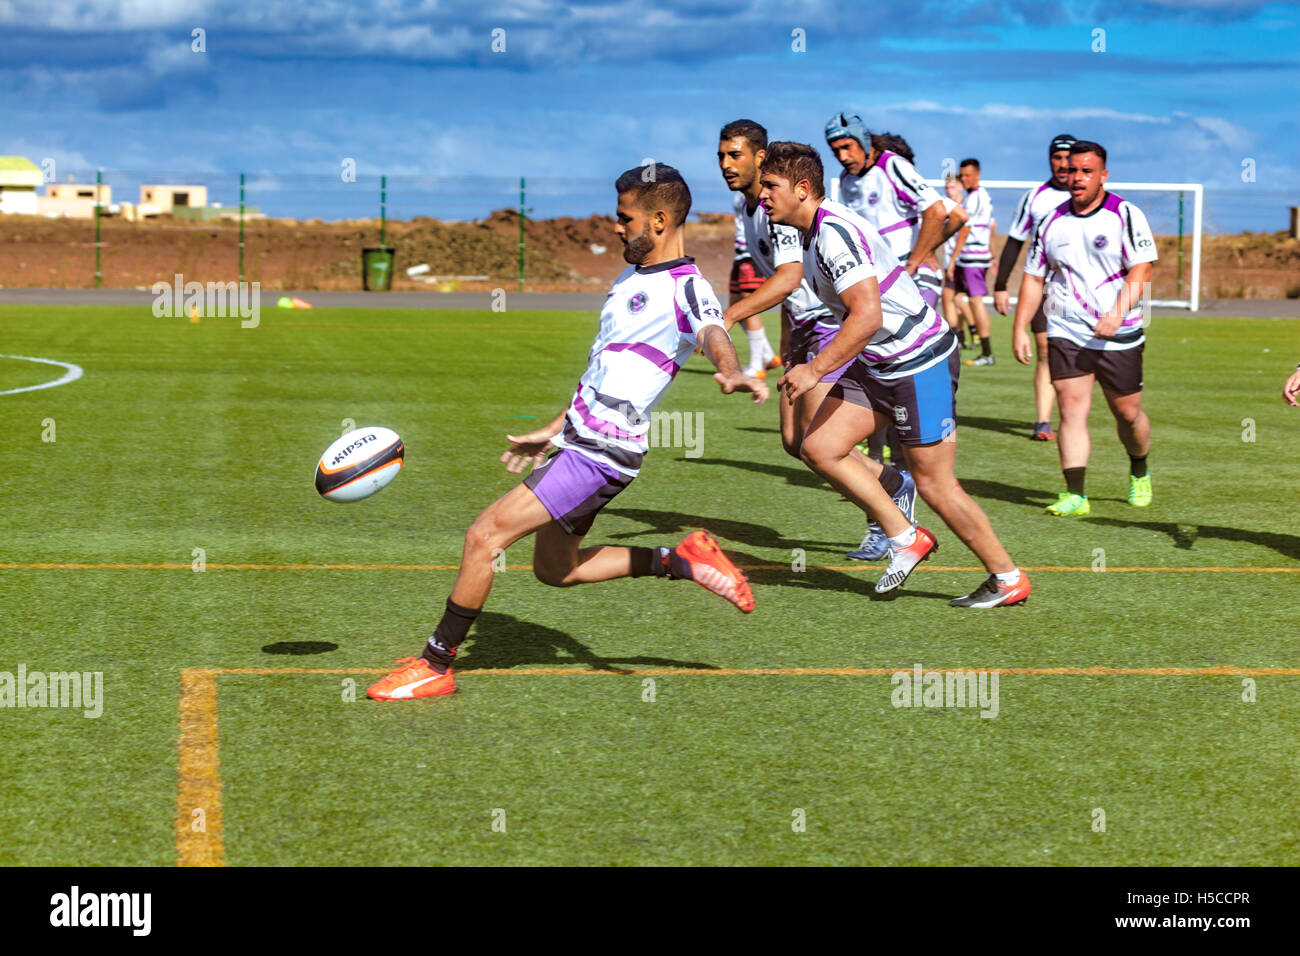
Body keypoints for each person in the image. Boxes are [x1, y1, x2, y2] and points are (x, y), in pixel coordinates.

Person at [368, 163, 769, 700]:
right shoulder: (628, 281)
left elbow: (714, 331)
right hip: (579, 443)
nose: (615, 227)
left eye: (625, 218)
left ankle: (435, 664)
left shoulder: (686, 286)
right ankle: (679, 560)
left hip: (602, 453)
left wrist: (731, 369)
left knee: (484, 537)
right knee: (556, 571)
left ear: (659, 220)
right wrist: (555, 429)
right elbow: (602, 371)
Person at [761, 141, 1030, 606]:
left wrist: (814, 370)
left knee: (936, 484)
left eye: (771, 185)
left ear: (802, 189)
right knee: (820, 448)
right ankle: (906, 536)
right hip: (880, 362)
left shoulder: (833, 234)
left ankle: (1007, 578)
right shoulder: (811, 232)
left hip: (920, 362)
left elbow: (866, 316)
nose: (763, 194)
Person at [1012, 141, 1157, 517]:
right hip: (1066, 329)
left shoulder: (1125, 214)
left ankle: (1139, 469)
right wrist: (1020, 327)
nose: (1077, 177)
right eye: (1072, 170)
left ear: (1103, 175)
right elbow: (1033, 278)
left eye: (1086, 171)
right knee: (1071, 408)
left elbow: (1142, 270)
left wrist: (1116, 314)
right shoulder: (1049, 220)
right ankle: (1075, 494)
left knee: (1127, 414)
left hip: (1119, 333)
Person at [994, 133, 1076, 439]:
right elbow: (1015, 241)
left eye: (1068, 158)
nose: (1063, 164)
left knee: (1075, 352)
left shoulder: (1088, 197)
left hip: (1081, 289)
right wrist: (1001, 285)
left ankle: (1073, 410)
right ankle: (1043, 420)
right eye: (1057, 157)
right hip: (1044, 285)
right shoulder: (1035, 197)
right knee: (1045, 349)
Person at [724, 136, 782, 378]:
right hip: (740, 253)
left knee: (749, 308)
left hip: (751, 255)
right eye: (722, 157)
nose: (726, 165)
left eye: (735, 156)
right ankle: (768, 356)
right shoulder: (740, 193)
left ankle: (757, 365)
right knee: (735, 306)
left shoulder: (766, 191)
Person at [953, 159, 996, 366]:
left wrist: (953, 258)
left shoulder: (976, 198)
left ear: (978, 175)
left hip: (973, 257)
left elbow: (966, 228)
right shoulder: (976, 197)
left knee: (976, 301)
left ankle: (987, 353)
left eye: (968, 175)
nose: (964, 179)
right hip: (971, 257)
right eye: (962, 175)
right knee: (958, 298)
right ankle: (973, 334)